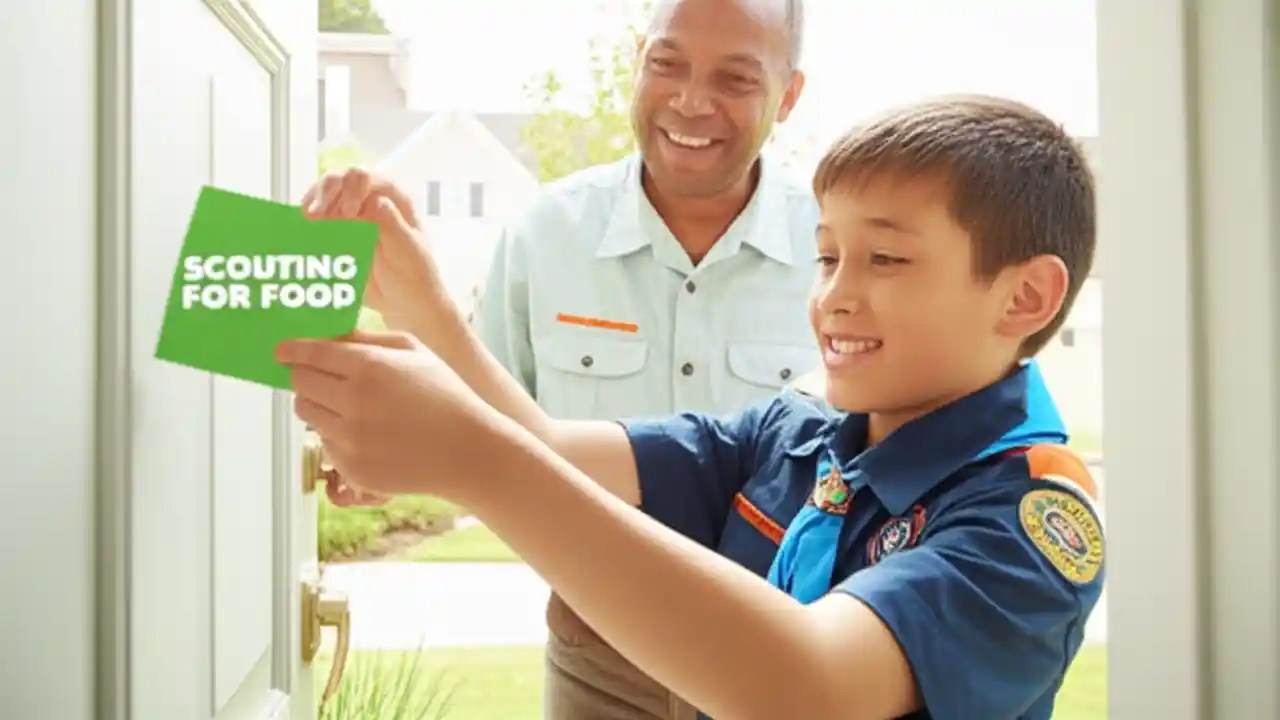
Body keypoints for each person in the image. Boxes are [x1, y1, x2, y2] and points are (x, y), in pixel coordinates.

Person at [286, 93, 1103, 720]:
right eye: (826, 256)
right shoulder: (795, 435)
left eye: (885, 257)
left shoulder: (1027, 519)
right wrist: (424, 309)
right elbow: (545, 448)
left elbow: (806, 688)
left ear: (1025, 296)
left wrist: (474, 459)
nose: (834, 298)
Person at [472, 0, 819, 715]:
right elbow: (479, 426)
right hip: (596, 656)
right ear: (639, 61)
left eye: (735, 78)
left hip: (789, 660)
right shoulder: (544, 236)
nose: (692, 102)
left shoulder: (838, 251)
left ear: (788, 96)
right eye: (668, 64)